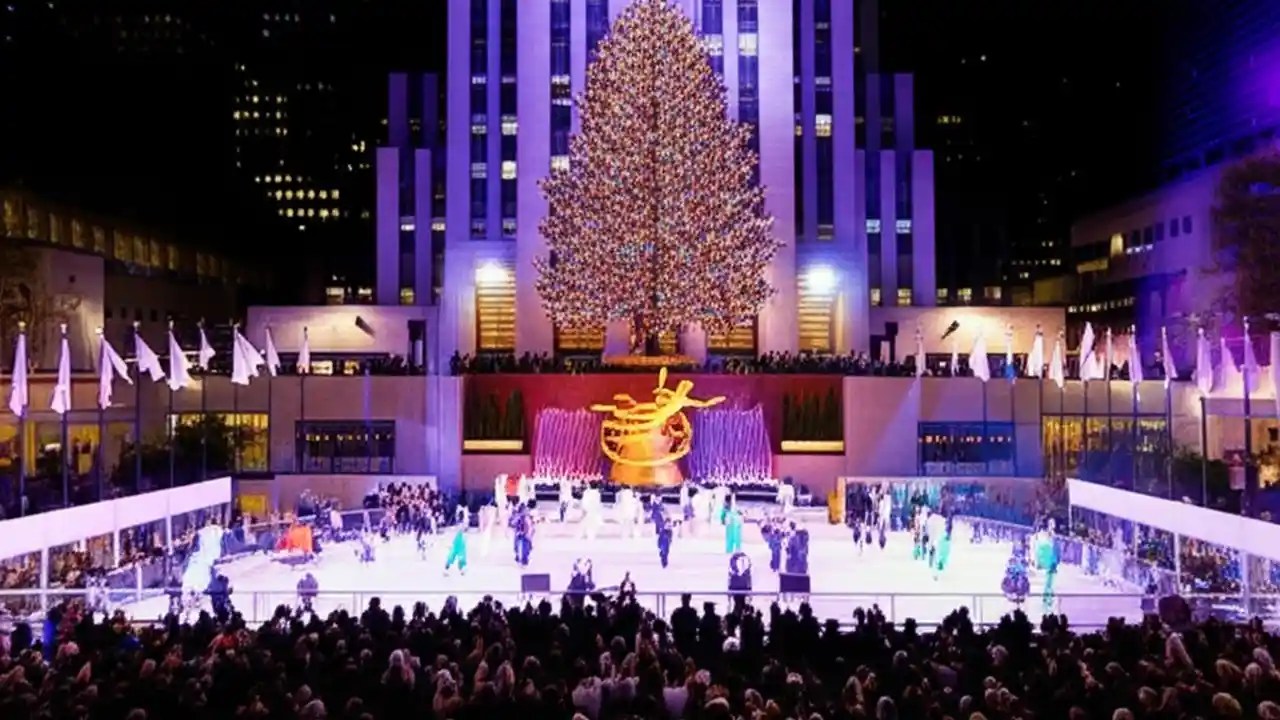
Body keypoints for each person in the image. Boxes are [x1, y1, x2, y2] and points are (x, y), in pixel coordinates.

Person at [654, 504, 673, 568]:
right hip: (664, 534)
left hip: (665, 534)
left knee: (665, 550)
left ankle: (664, 560)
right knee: (664, 550)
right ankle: (664, 560)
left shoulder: (665, 516)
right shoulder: (661, 516)